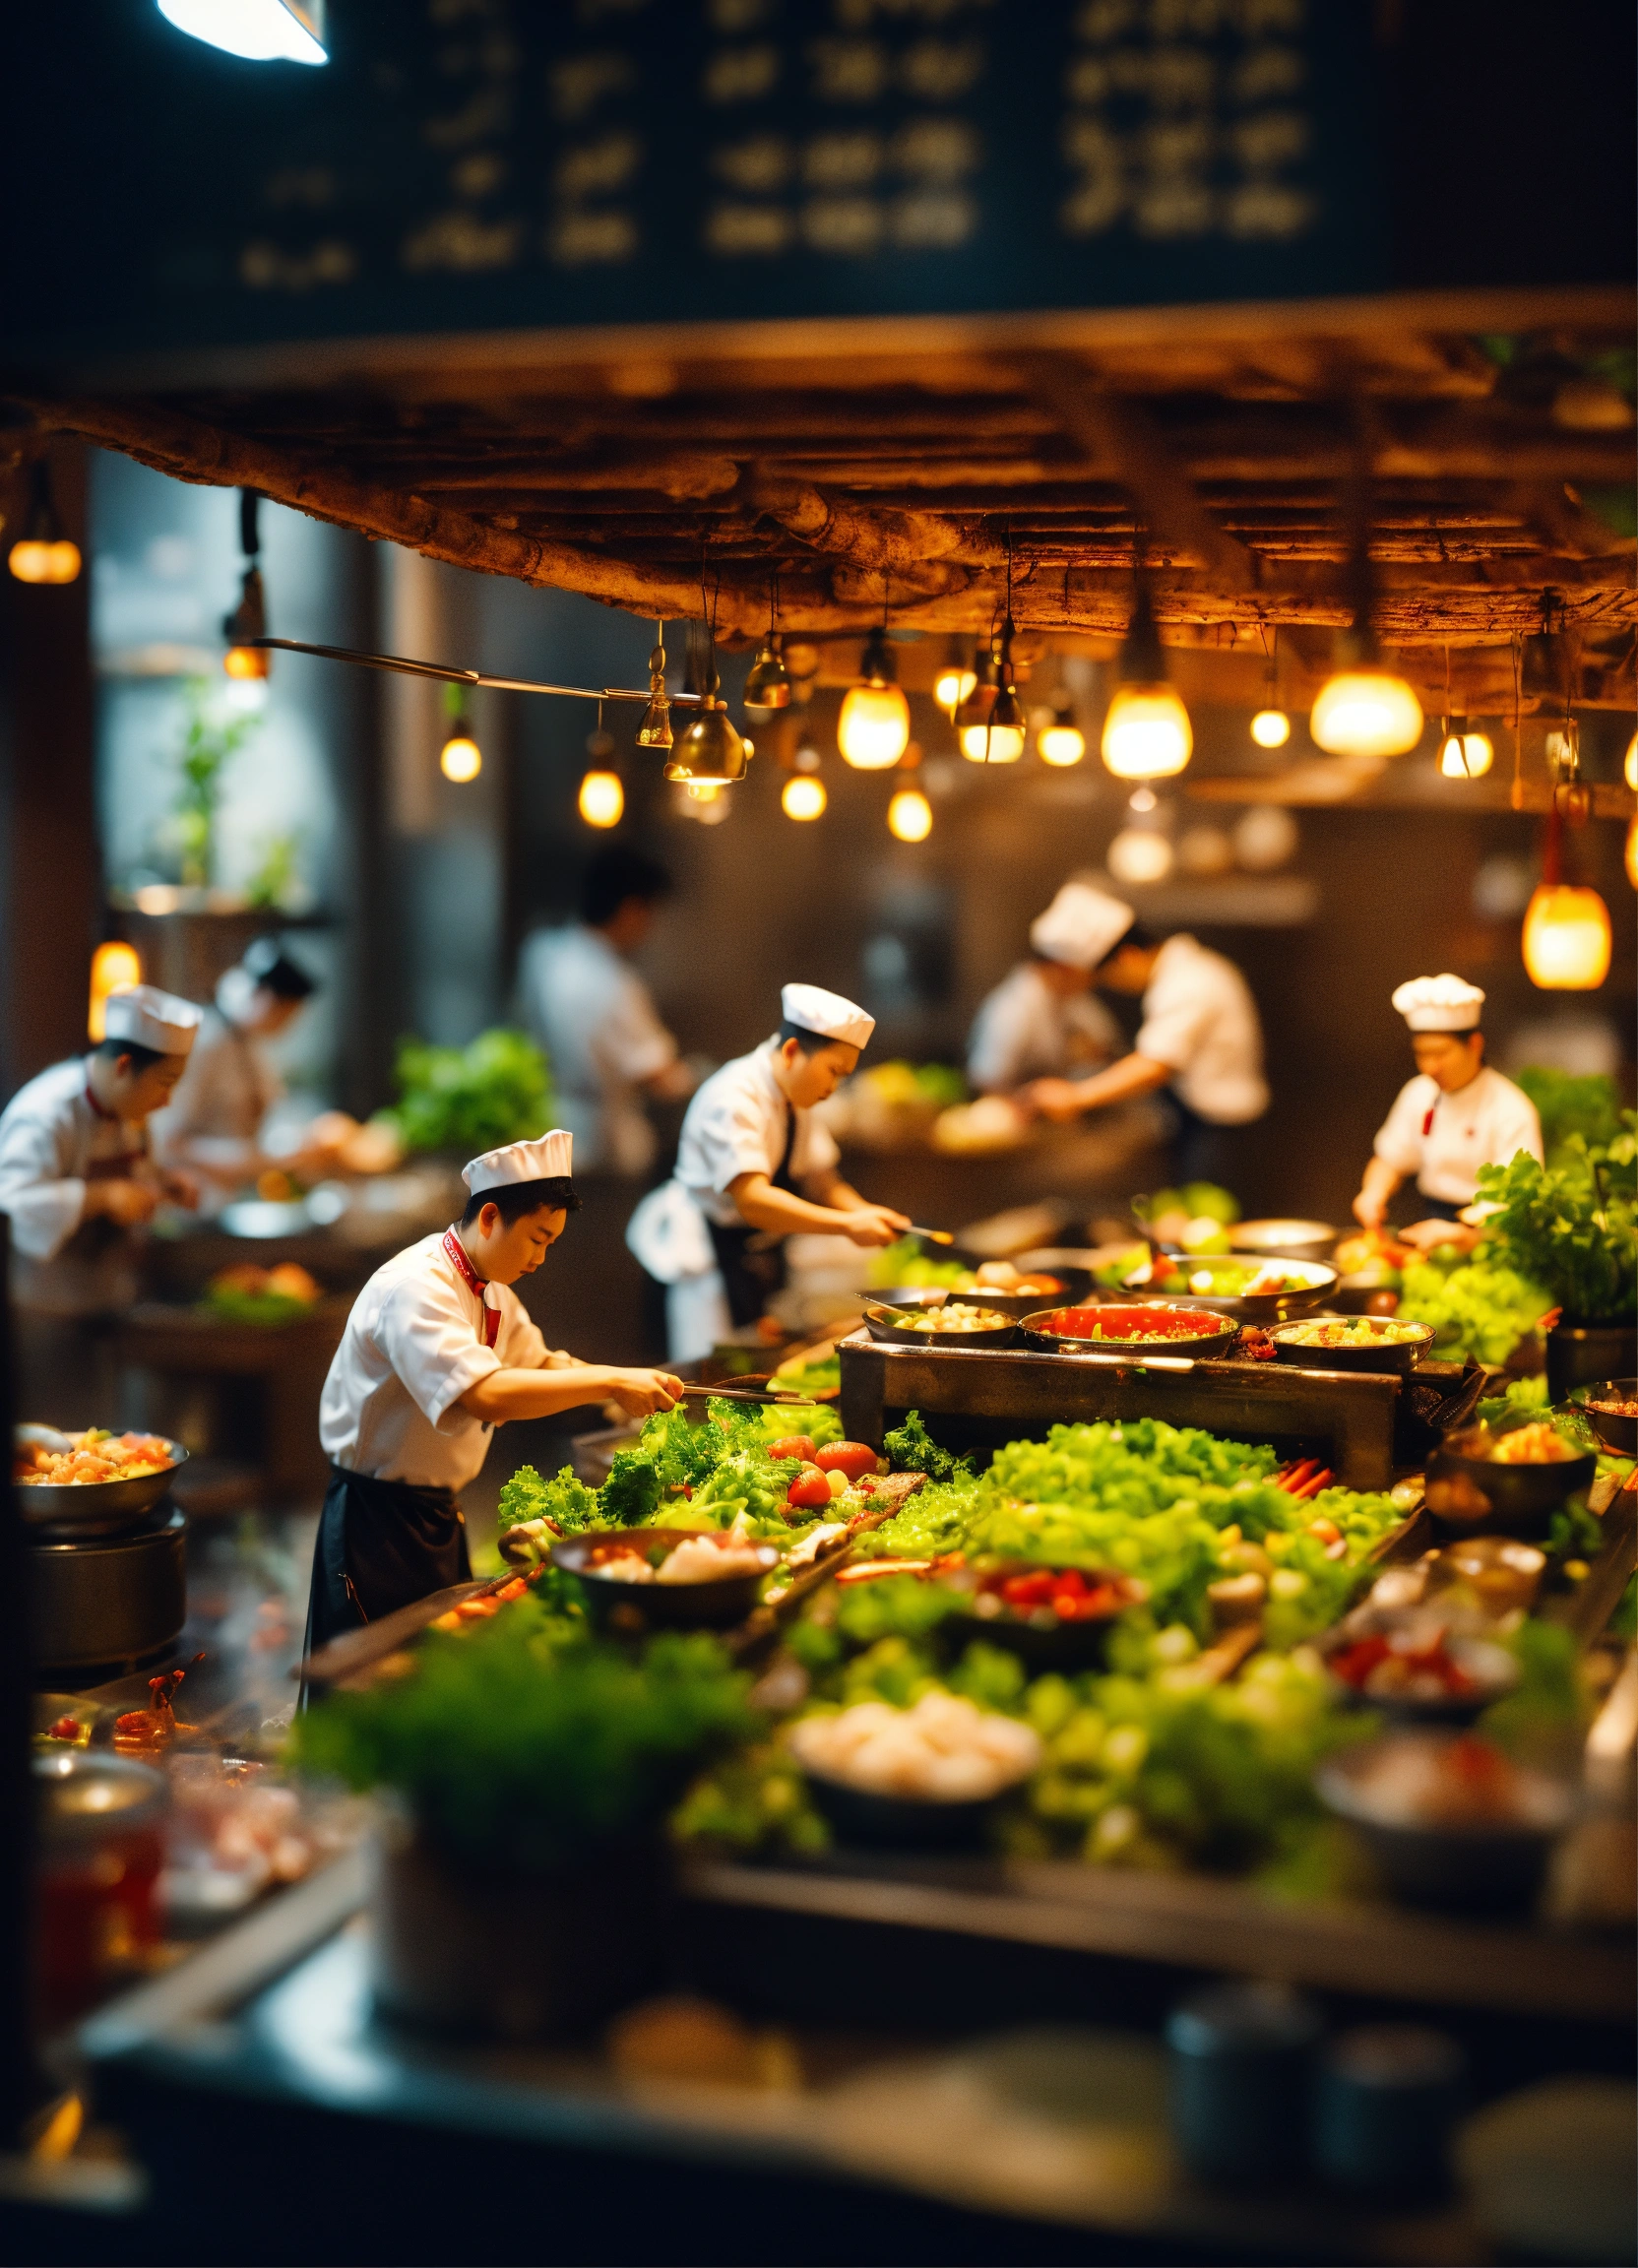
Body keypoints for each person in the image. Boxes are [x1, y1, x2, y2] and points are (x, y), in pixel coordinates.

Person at [309, 1129, 682, 1652]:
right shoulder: (416, 1287)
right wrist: (612, 1380)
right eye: (537, 1239)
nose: (542, 1258)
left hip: (435, 1511)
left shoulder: (491, 1291)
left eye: (551, 1243)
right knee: (374, 1676)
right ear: (489, 1218)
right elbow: (483, 1394)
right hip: (376, 1523)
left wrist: (621, 1385)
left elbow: (540, 1364)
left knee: (438, 1663)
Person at [626, 983, 912, 1363]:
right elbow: (754, 1201)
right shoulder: (734, 1098)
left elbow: (822, 1180)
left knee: (759, 1360)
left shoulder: (797, 1095)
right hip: (707, 1256)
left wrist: (863, 1211)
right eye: (833, 1071)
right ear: (792, 1051)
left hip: (754, 1254)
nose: (835, 1086)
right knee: (715, 1376)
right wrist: (847, 1226)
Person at [0, 984, 202, 1421]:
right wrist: (101, 1197)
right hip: (43, 1310)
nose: (166, 1101)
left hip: (108, 1296)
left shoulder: (127, 1112)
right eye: (164, 1085)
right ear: (125, 1066)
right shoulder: (46, 1112)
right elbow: (11, 1201)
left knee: (107, 1436)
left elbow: (138, 1170)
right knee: (54, 1440)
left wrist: (167, 1184)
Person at [1021, 886, 1268, 1184]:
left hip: (1221, 1134)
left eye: (1106, 976)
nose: (1111, 985)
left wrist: (1076, 1096)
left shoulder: (1188, 983)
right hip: (1208, 1126)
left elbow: (1154, 1065)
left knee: (1213, 1225)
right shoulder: (1190, 970)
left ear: (1128, 956)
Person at [516, 847, 696, 1176]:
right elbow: (659, 1076)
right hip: (604, 1145)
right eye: (649, 912)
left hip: (550, 1130)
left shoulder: (544, 953)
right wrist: (697, 1078)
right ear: (630, 909)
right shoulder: (613, 984)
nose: (650, 926)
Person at [1354, 975, 1544, 1253]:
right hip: (1431, 1224)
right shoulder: (1418, 1093)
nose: (1430, 1067)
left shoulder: (1511, 1108)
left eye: (1440, 1053)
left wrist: (1461, 1233)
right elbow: (1391, 1158)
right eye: (1421, 1054)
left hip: (1492, 1237)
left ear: (1475, 1045)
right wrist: (1373, 1192)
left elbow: (1518, 1202)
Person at [154, 938, 334, 1208]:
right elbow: (169, 1141)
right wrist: (252, 1159)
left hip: (232, 1200)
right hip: (191, 1200)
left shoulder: (248, 1044)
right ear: (264, 997)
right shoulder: (204, 1041)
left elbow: (271, 1110)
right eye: (286, 1013)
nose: (288, 1024)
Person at [966, 882, 1125, 1096]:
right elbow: (989, 1080)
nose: (1096, 980)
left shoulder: (1073, 1000)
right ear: (1063, 969)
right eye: (1091, 972)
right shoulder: (1013, 1008)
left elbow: (1106, 1046)